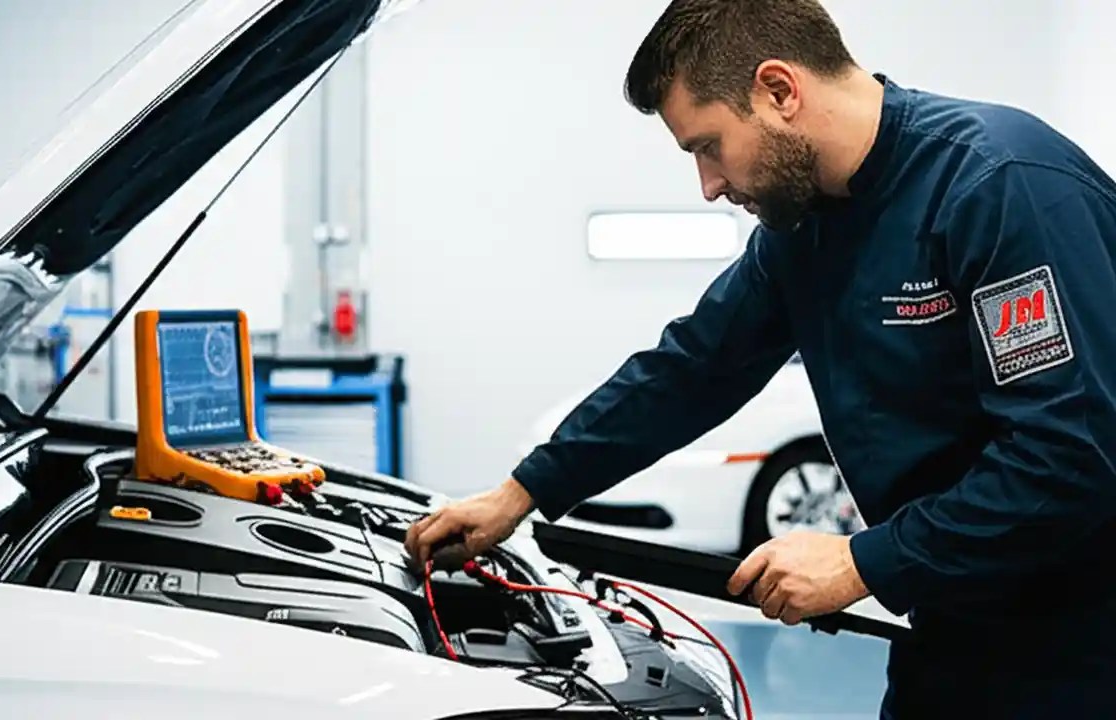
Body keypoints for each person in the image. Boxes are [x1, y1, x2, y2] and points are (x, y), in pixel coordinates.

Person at [404, 0, 1116, 716]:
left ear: (780, 91)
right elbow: (693, 366)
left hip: (1083, 649)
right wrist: (523, 491)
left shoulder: (998, 185)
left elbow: (1068, 455)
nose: (709, 184)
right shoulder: (803, 230)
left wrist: (860, 561)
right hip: (953, 626)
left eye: (707, 147)